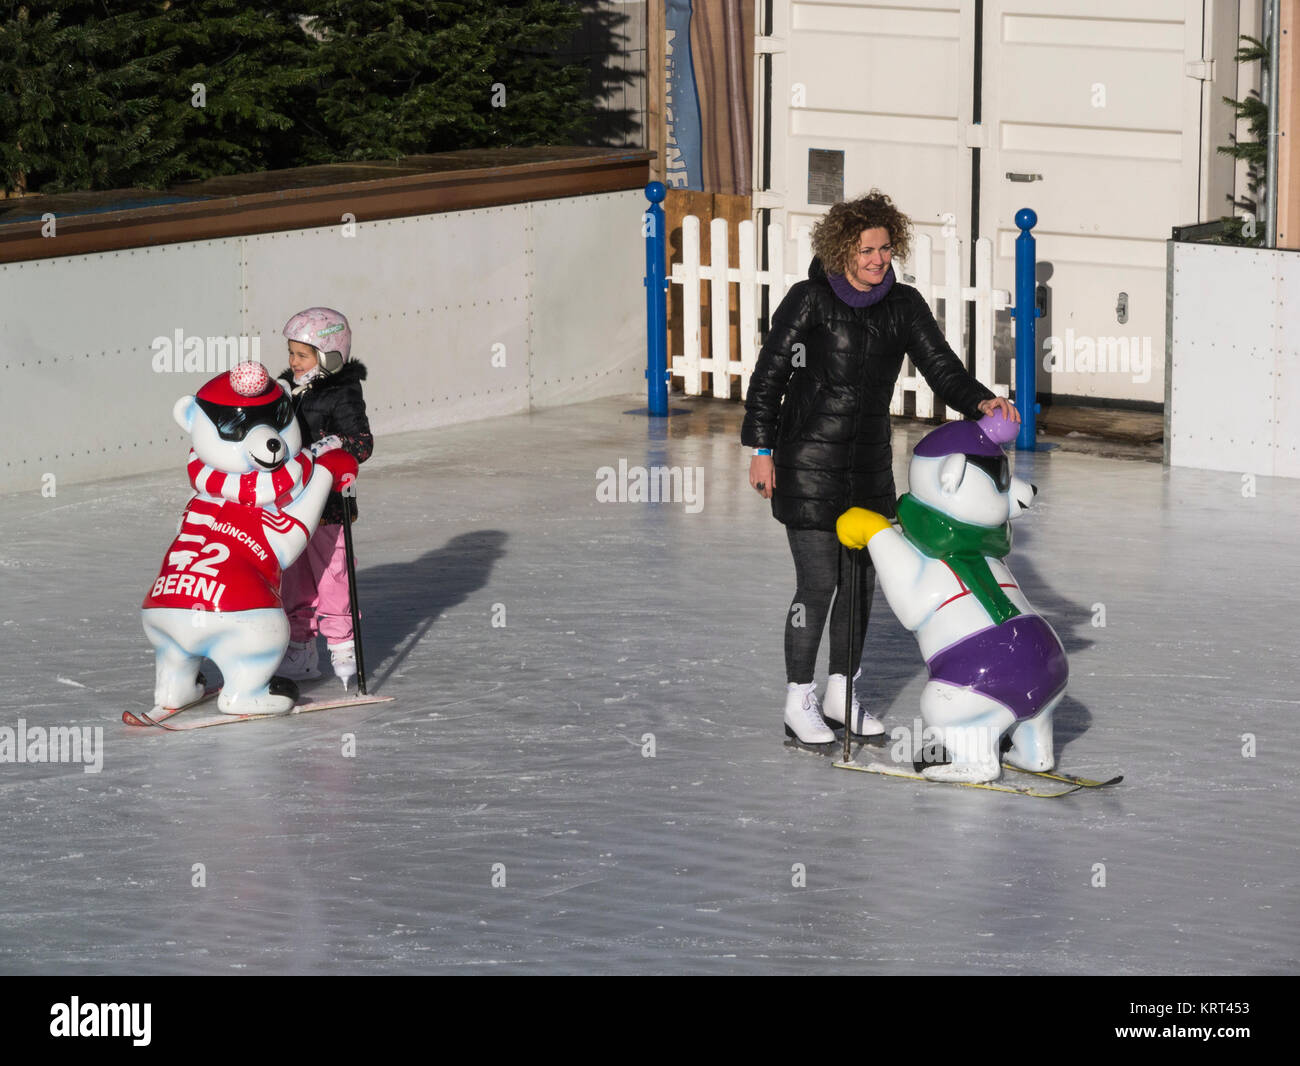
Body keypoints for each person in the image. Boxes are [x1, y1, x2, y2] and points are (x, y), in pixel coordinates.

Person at [740, 190, 1019, 745]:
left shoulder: (903, 306)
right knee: (819, 583)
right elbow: (769, 377)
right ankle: (799, 698)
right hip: (807, 461)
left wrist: (982, 401)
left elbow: (943, 369)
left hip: (867, 465)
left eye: (886, 249)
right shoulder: (809, 301)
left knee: (861, 582)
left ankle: (842, 691)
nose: (878, 260)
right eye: (867, 249)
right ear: (843, 248)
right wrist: (762, 448)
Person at [275, 307, 374, 687]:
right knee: (293, 577)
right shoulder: (292, 392)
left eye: (301, 355)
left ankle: (344, 647)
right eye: (291, 353)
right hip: (294, 503)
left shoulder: (342, 392)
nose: (292, 362)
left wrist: (334, 445)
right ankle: (299, 648)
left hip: (329, 510)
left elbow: (362, 443)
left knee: (333, 579)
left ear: (329, 357)